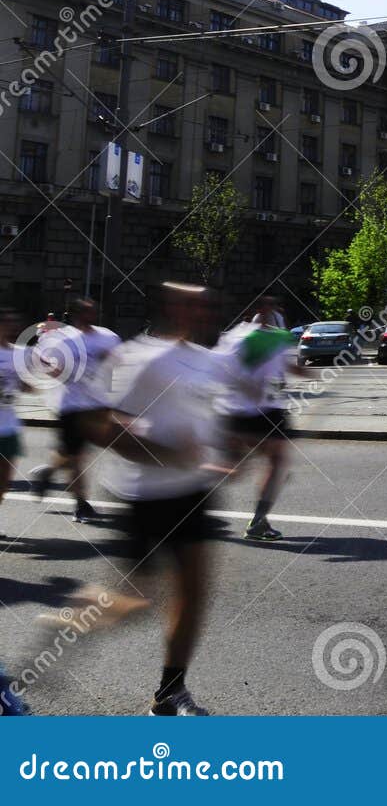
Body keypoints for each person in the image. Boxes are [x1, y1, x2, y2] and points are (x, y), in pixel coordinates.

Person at [80, 283, 229, 716]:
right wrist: (166, 454)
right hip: (144, 495)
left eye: (204, 303)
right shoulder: (139, 358)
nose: (200, 310)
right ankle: (67, 624)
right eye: (190, 303)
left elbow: (205, 421)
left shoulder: (205, 360)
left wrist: (224, 454)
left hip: (192, 492)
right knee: (135, 603)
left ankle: (169, 694)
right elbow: (103, 429)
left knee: (194, 593)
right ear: (168, 307)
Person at [213, 295, 305, 541]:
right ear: (254, 311)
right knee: (241, 468)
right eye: (265, 307)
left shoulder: (273, 337)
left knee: (271, 462)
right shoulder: (240, 338)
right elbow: (219, 371)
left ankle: (259, 521)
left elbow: (284, 368)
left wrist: (305, 371)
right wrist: (247, 385)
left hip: (265, 410)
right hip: (248, 411)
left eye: (272, 307)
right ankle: (182, 492)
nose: (270, 312)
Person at [29, 297, 121, 522]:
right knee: (77, 457)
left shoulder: (108, 337)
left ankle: (46, 473)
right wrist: (60, 373)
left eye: (94, 311)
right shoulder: (64, 339)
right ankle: (81, 505)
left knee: (76, 454)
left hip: (99, 405)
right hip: (71, 406)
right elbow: (41, 360)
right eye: (87, 312)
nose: (92, 315)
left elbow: (122, 362)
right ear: (77, 314)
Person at [0, 308, 23, 523]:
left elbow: (25, 387)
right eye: (8, 322)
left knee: (5, 481)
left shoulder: (17, 353)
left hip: (9, 426)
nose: (13, 326)